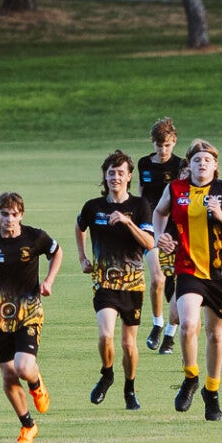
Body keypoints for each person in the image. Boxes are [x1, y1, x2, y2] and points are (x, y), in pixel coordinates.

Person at [152, 139, 222, 420]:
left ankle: (212, 391)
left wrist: (220, 214)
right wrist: (160, 236)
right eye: (197, 160)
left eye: (207, 160)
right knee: (187, 324)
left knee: (215, 334)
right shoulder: (175, 190)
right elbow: (159, 213)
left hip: (220, 273)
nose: (202, 164)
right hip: (188, 269)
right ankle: (190, 377)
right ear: (189, 165)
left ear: (215, 165)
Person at [0, 193, 64, 443]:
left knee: (22, 367)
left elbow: (57, 252)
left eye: (13, 214)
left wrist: (49, 281)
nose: (9, 219)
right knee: (8, 376)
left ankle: (35, 383)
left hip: (28, 312)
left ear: (21, 215)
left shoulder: (34, 237)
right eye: (4, 214)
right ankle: (28, 425)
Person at [74, 152, 158, 410]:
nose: (115, 177)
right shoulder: (93, 207)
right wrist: (82, 257)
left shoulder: (140, 206)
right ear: (105, 176)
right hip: (104, 282)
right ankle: (107, 373)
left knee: (128, 344)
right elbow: (79, 227)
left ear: (129, 176)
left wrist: (127, 222)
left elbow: (149, 242)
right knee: (105, 335)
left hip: (133, 284)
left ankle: (129, 388)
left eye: (121, 172)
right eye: (111, 172)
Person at [138, 118, 184, 354]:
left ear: (174, 142)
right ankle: (156, 324)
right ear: (153, 143)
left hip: (176, 230)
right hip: (150, 228)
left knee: (179, 282)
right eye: (159, 145)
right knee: (158, 279)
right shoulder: (144, 163)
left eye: (167, 145)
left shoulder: (181, 165)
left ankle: (169, 334)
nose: (163, 149)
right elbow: (141, 194)